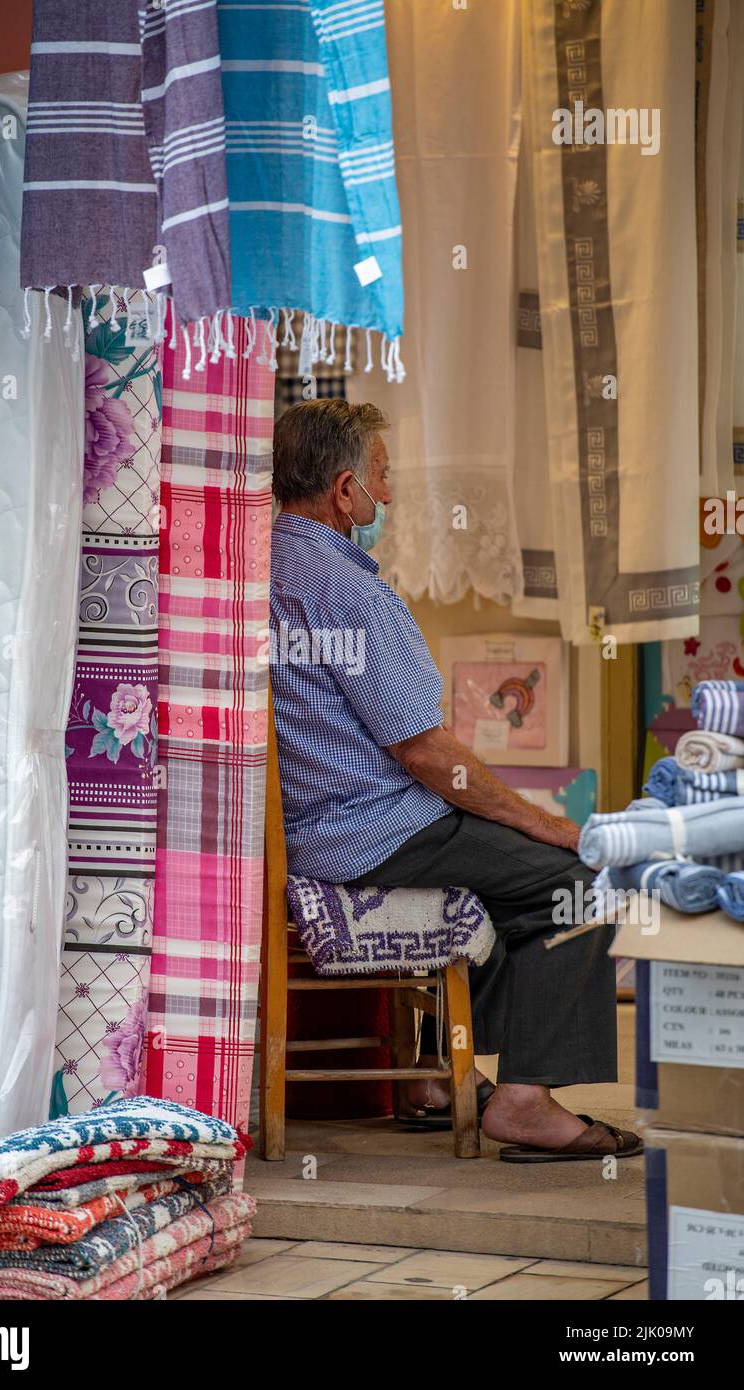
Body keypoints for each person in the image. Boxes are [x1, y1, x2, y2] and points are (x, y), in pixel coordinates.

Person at [268, 398, 641, 1162]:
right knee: (576, 878)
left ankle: (439, 1080)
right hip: (372, 830)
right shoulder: (348, 590)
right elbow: (428, 755)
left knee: (508, 874)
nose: (390, 495)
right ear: (345, 491)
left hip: (317, 829)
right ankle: (526, 1102)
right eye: (382, 477)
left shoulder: (263, 566)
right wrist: (542, 821)